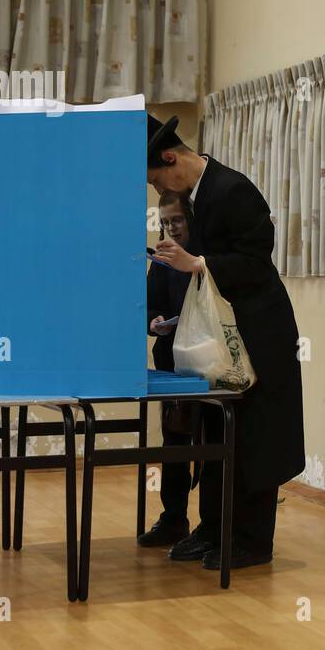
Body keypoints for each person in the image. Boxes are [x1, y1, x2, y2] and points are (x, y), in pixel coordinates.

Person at [145, 114, 305, 571]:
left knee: (254, 438)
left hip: (259, 334)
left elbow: (256, 263)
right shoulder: (196, 196)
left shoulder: (233, 189)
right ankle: (213, 526)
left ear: (170, 157)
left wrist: (197, 263)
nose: (158, 191)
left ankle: (252, 540)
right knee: (215, 431)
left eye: (156, 180)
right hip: (220, 337)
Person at [139, 189, 200, 548]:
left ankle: (212, 524)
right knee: (175, 441)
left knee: (211, 444)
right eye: (165, 223)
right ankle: (174, 518)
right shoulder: (162, 259)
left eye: (177, 220)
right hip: (172, 361)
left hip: (208, 362)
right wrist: (154, 321)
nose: (172, 228)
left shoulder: (205, 256)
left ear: (190, 218)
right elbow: (149, 305)